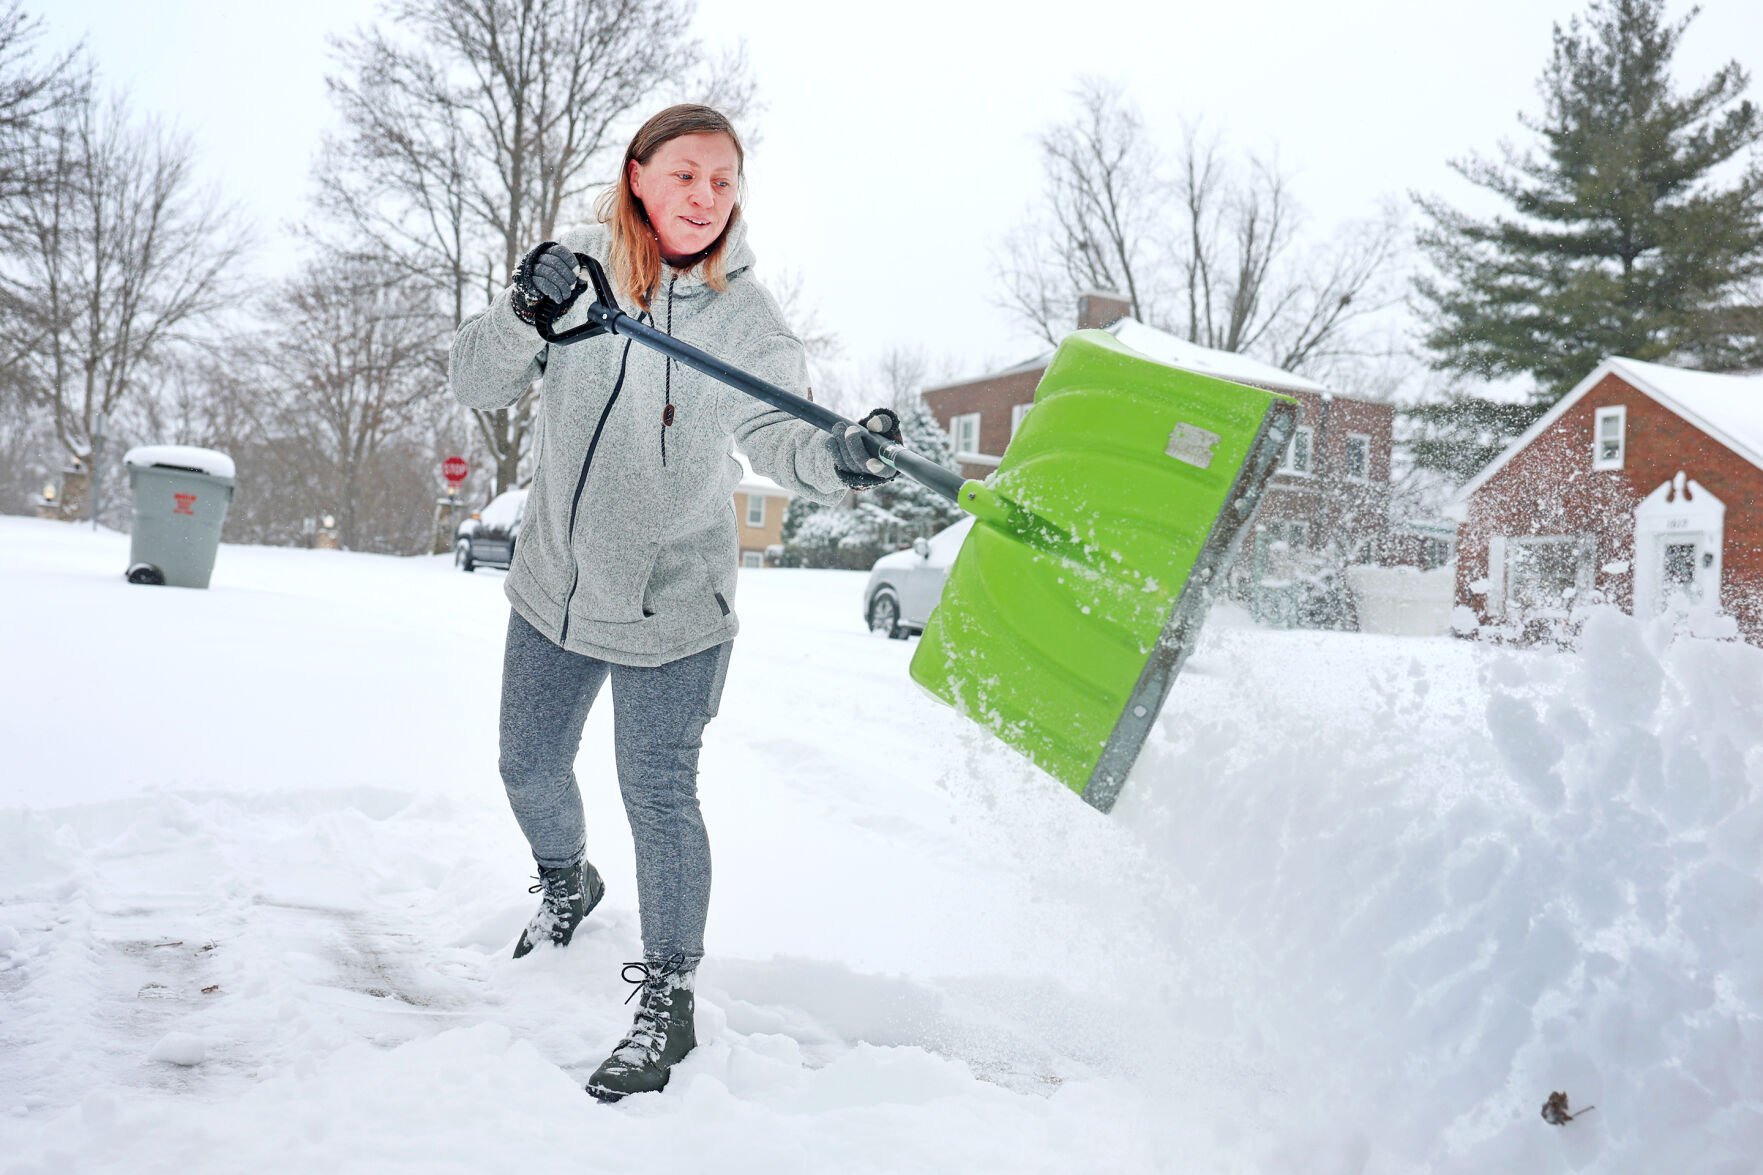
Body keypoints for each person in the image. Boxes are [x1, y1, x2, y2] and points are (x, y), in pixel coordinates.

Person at [448, 104, 902, 1103]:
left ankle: (668, 996)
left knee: (657, 795)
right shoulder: (577, 272)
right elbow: (472, 379)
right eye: (686, 174)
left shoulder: (747, 318)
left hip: (673, 605)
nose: (705, 196)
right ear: (638, 175)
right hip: (555, 585)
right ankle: (566, 878)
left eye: (723, 180)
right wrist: (521, 309)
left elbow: (783, 437)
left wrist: (841, 456)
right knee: (526, 765)